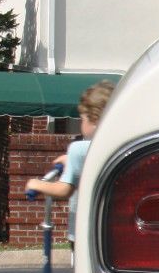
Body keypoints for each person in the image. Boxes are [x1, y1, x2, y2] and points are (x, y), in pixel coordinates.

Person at [25, 81, 116, 238]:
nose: (82, 122)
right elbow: (91, 162)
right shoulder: (117, 145)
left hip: (84, 232)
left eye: (83, 118)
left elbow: (63, 190)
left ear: (94, 120)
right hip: (110, 230)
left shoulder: (78, 149)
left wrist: (36, 184)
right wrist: (70, 161)